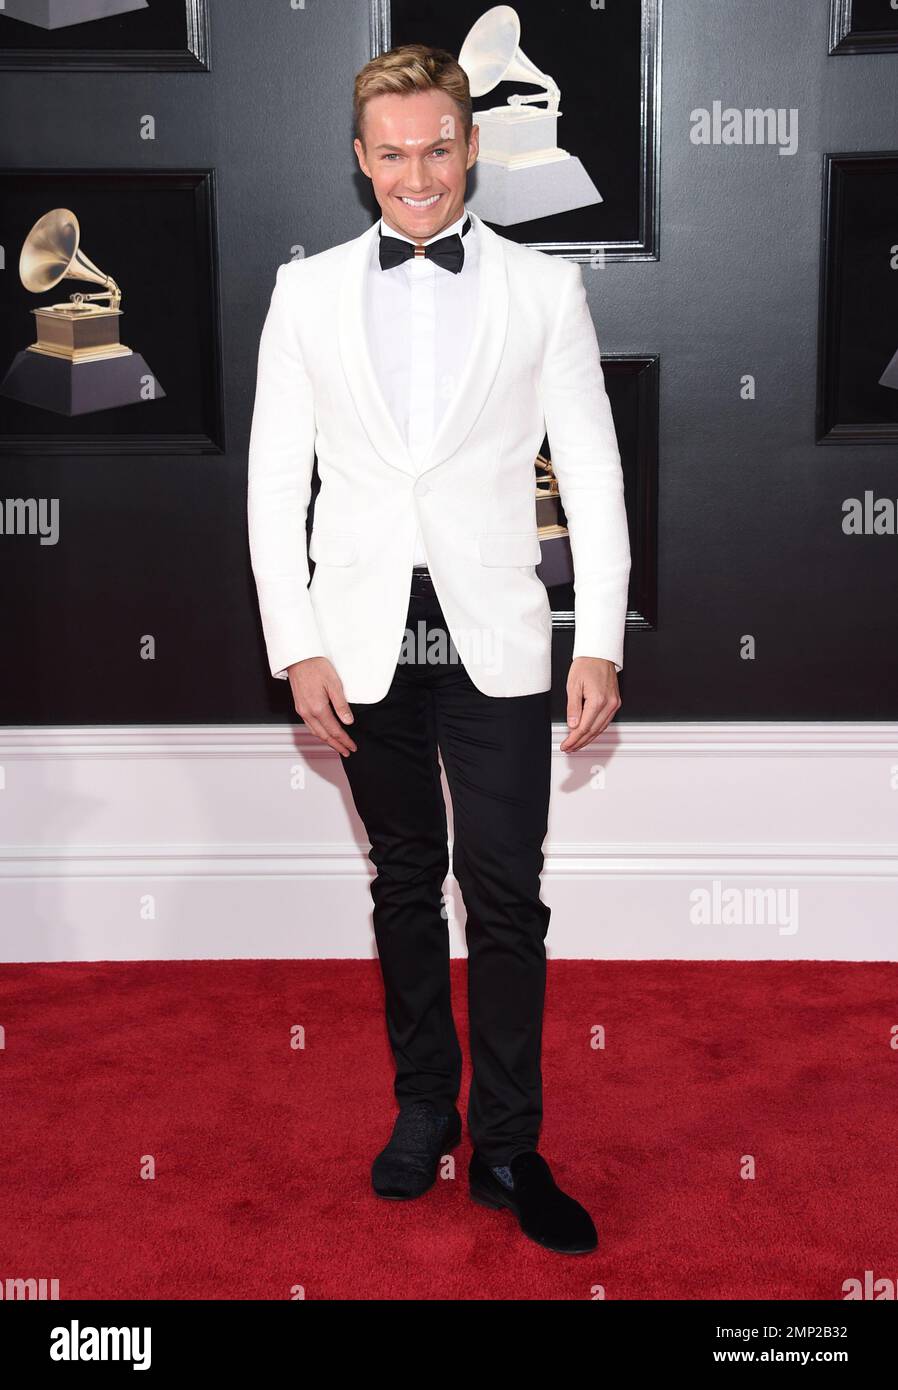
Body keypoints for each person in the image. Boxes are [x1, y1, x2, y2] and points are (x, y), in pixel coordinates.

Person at [247, 43, 630, 1256]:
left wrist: (601, 636)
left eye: (438, 148)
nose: (418, 175)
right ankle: (426, 1109)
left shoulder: (542, 289)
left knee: (505, 893)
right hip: (362, 641)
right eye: (393, 154)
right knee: (405, 884)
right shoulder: (304, 294)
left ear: (470, 147)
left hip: (499, 638)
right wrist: (294, 638)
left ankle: (510, 1144)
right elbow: (273, 485)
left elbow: (594, 473)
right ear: (362, 162)